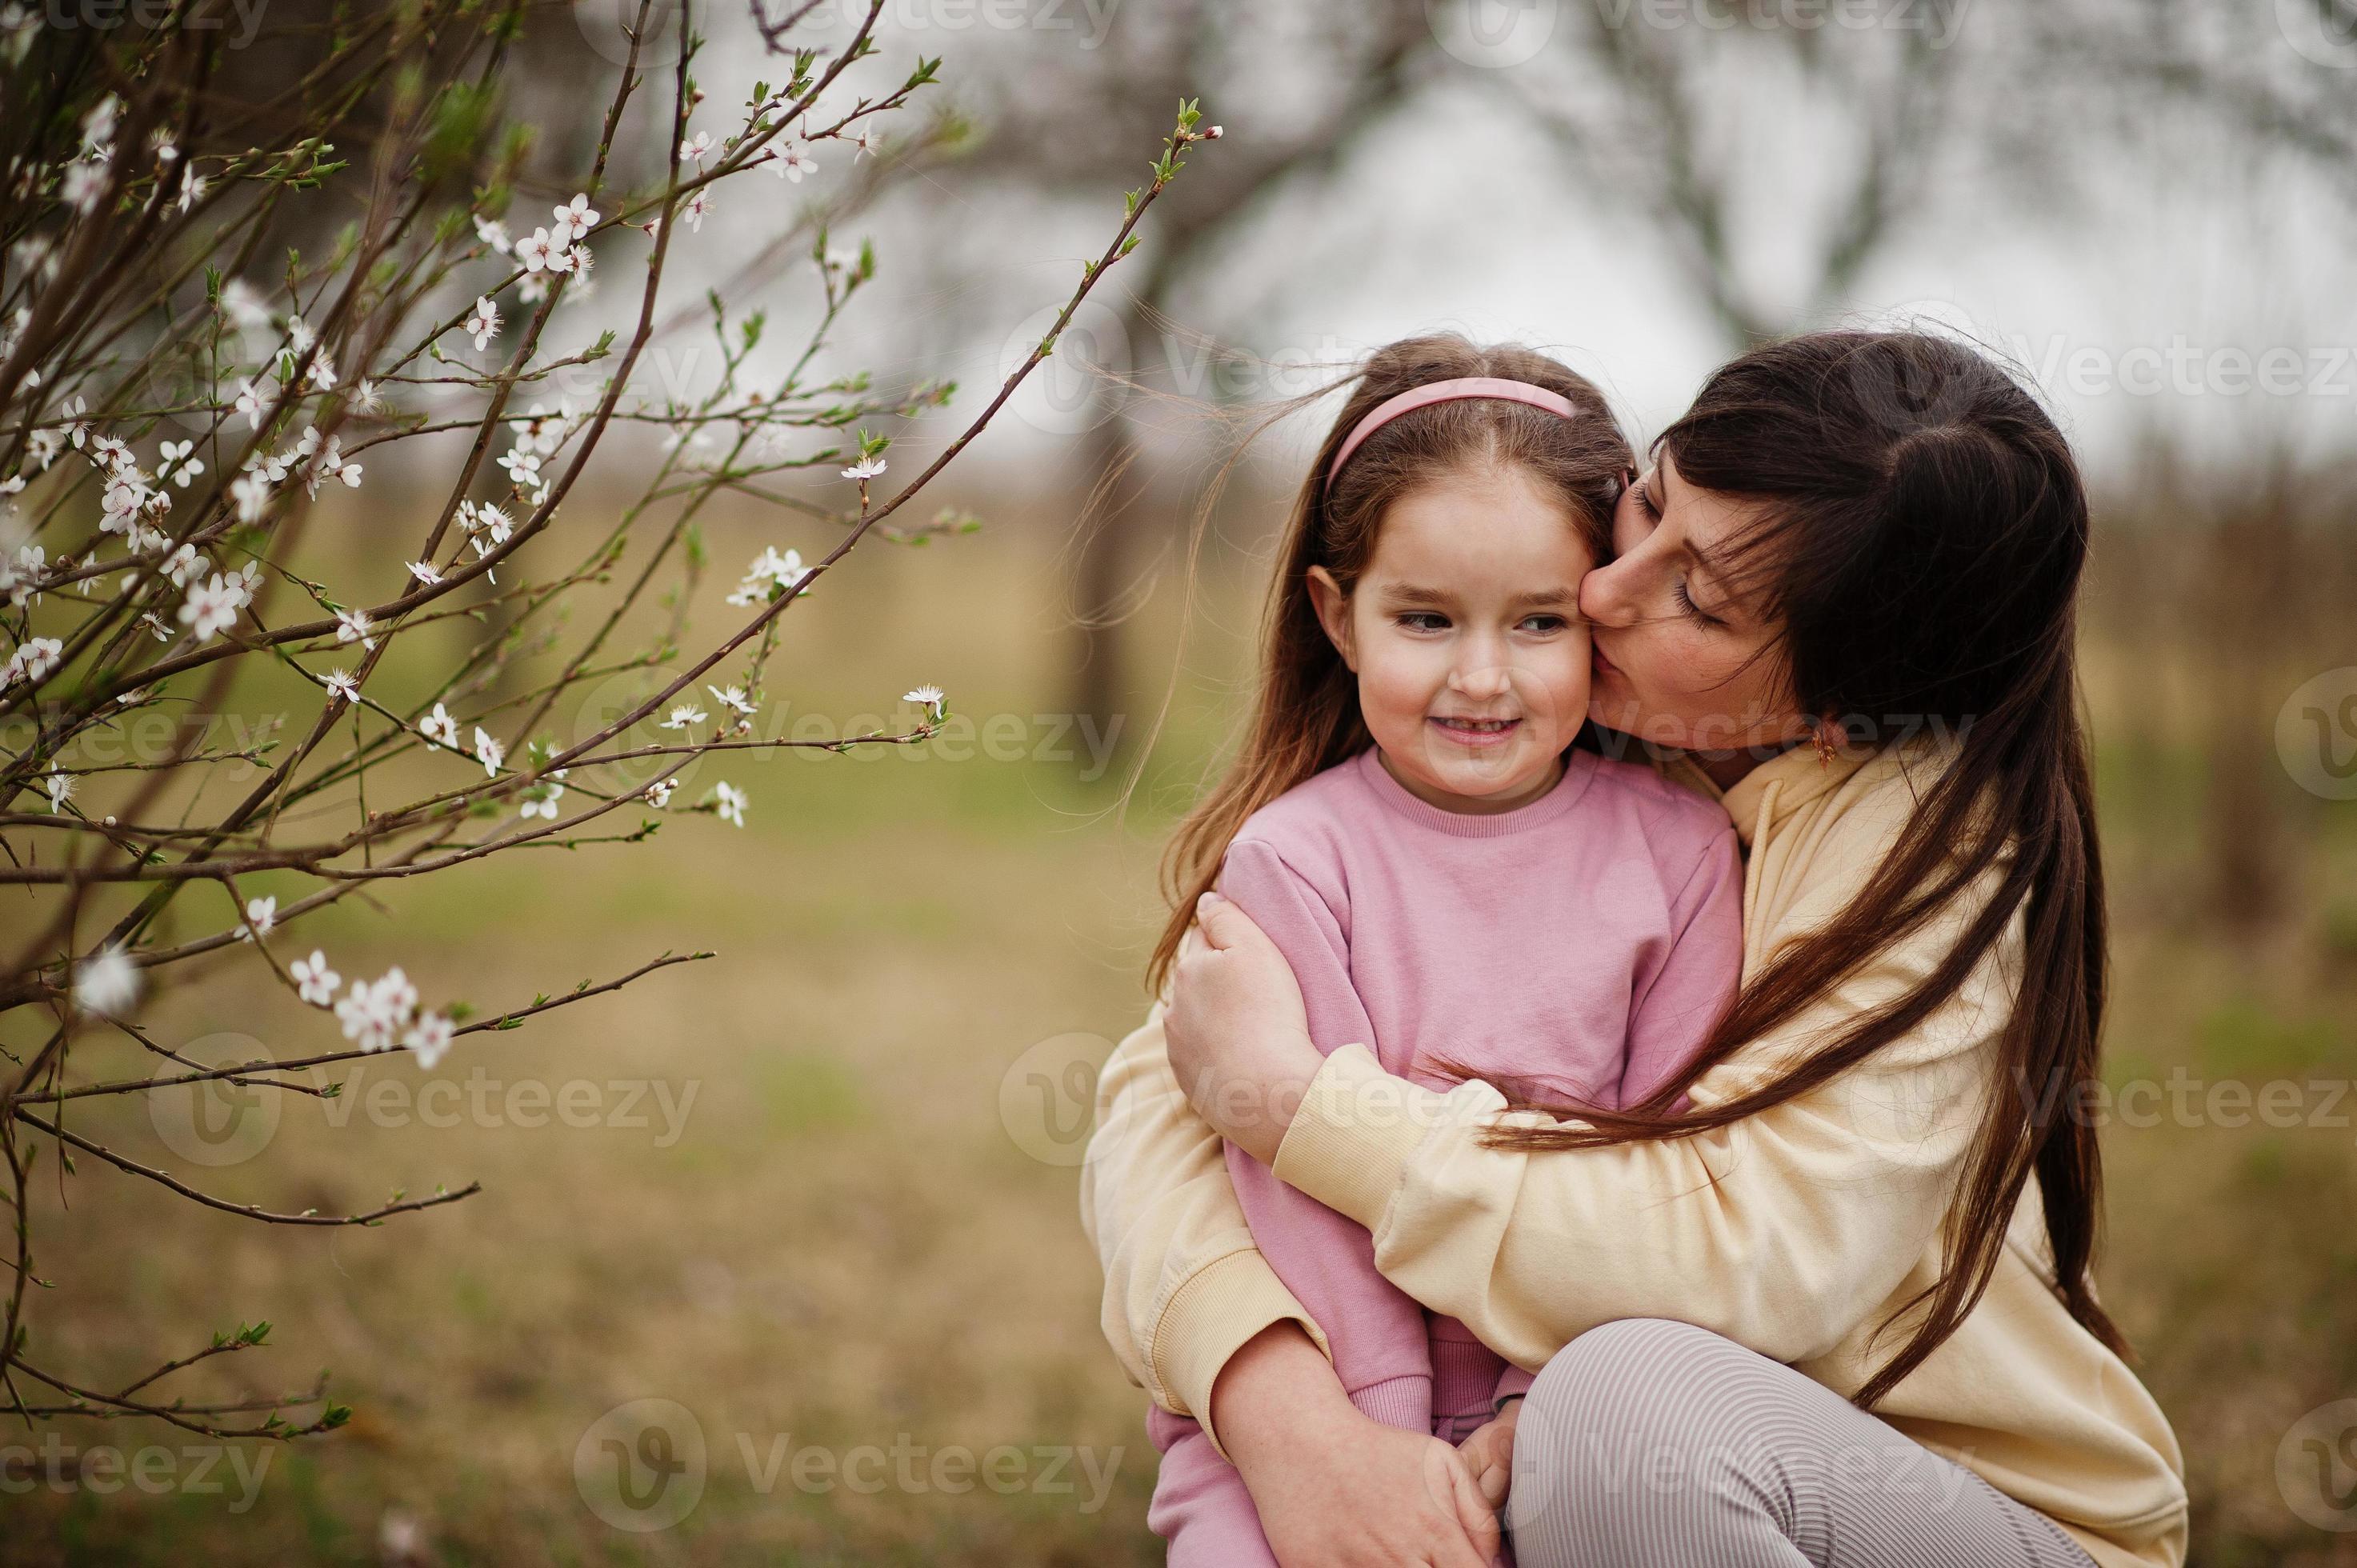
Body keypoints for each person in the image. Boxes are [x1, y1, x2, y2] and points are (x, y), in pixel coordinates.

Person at [1082, 332, 2189, 1567]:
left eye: (1697, 599)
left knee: (1618, 1422)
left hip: (1955, 1503)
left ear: (1831, 711)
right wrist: (1293, 1425)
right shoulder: (1542, 748)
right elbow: (1177, 1088)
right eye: (1649, 502)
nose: (1605, 590)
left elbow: (1744, 1263)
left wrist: (1304, 1105)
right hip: (1594, 1458)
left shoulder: (1918, 854)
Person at [1139, 335, 1744, 1566]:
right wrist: (1373, 1448)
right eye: (1424, 619)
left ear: (1601, 619)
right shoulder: (1292, 862)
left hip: (1572, 1398)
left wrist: (1540, 1398)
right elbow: (1286, 1175)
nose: (1479, 676)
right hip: (1323, 1404)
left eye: (1537, 623)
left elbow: (1666, 1154)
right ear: (1338, 617)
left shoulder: (1681, 859)